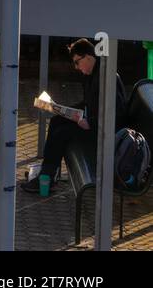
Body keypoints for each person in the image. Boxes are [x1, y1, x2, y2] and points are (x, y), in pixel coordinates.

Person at [23, 38, 127, 196]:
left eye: (77, 62)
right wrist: (62, 110)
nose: (77, 67)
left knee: (62, 133)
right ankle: (48, 173)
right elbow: (89, 103)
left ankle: (47, 177)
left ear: (88, 57)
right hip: (94, 124)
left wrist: (90, 122)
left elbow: (115, 114)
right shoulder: (92, 74)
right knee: (57, 120)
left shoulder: (106, 77)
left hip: (105, 133)